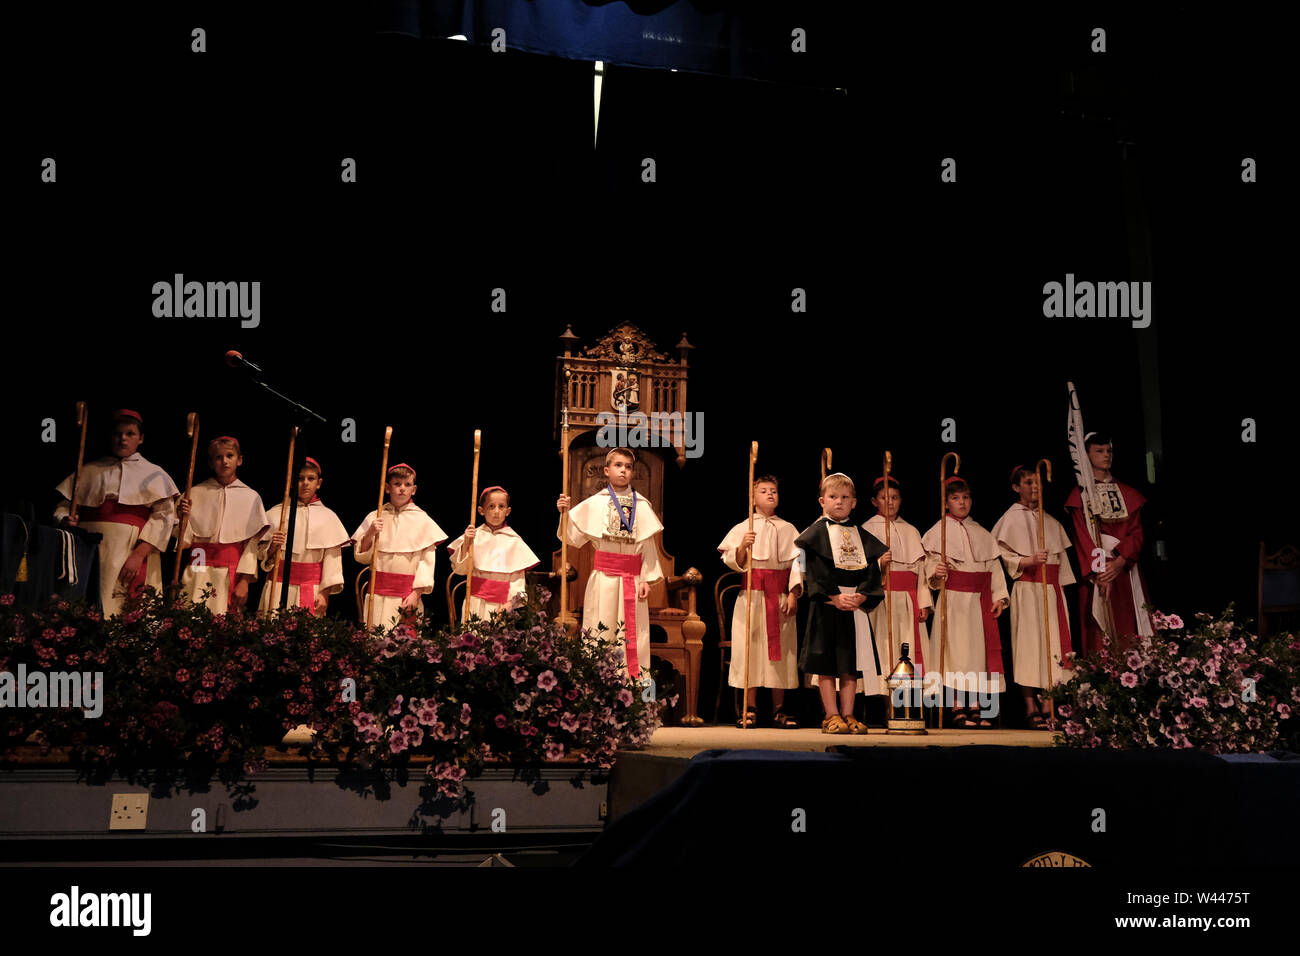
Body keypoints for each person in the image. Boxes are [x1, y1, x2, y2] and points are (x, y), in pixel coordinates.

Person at [54, 409, 178, 615]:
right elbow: (63, 507)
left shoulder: (155, 474)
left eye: (130, 434)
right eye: (117, 434)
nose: (123, 439)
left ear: (141, 438)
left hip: (129, 549)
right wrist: (65, 519)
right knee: (85, 604)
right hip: (88, 548)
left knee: (123, 608)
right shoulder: (89, 470)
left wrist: (139, 554)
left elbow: (164, 518)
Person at [556, 447, 663, 683]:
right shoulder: (595, 503)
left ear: (632, 472)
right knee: (600, 630)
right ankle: (599, 692)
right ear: (607, 470)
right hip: (604, 577)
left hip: (633, 580)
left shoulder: (642, 505)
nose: (623, 470)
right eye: (618, 465)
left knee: (633, 635)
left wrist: (645, 578)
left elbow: (647, 544)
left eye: (627, 466)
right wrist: (564, 514)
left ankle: (633, 692)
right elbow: (571, 538)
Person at [796, 472, 886, 735]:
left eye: (845, 498)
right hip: (827, 605)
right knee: (826, 664)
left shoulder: (861, 535)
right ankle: (831, 715)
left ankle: (848, 714)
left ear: (854, 503)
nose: (839, 502)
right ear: (822, 501)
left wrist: (863, 595)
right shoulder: (815, 534)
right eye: (833, 497)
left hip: (855, 605)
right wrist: (834, 596)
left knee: (850, 664)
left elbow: (872, 570)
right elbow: (814, 571)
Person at [992, 465, 1075, 729]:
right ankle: (1030, 707)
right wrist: (1026, 560)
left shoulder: (1051, 521)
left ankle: (1050, 704)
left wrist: (1059, 591)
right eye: (1028, 482)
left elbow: (1063, 566)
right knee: (1028, 647)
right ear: (1016, 487)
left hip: (1051, 592)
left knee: (1052, 647)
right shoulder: (1010, 519)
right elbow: (1001, 555)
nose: (1035, 487)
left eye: (1038, 482)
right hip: (1027, 589)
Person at [717, 474, 803, 729]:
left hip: (779, 597)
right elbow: (731, 560)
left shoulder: (789, 528)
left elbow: (799, 563)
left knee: (782, 654)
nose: (769, 494)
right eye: (763, 490)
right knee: (750, 652)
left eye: (774, 491)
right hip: (751, 598)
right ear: (753, 497)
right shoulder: (744, 527)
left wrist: (793, 593)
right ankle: (750, 708)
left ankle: (779, 709)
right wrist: (743, 545)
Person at [922, 477, 1009, 728]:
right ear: (946, 502)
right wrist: (936, 573)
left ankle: (976, 706)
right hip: (954, 601)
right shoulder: (938, 532)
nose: (962, 503)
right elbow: (928, 568)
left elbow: (994, 568)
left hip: (979, 602)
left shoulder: (982, 532)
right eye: (956, 498)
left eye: (966, 497)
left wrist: (1000, 597)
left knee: (977, 656)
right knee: (955, 655)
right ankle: (957, 706)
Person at [1064, 432, 1154, 654]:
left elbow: (1137, 533)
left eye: (1109, 451)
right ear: (1086, 455)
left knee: (1129, 625)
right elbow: (1082, 538)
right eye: (1099, 451)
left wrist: (1120, 562)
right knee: (1100, 631)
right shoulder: (1080, 496)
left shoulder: (1128, 492)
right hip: (1098, 574)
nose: (1106, 456)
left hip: (1124, 570)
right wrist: (1101, 571)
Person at [862, 476, 933, 714]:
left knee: (908, 649)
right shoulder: (867, 529)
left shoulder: (911, 530)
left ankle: (909, 705)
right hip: (882, 599)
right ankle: (889, 707)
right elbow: (859, 570)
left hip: (907, 600)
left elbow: (921, 572)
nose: (890, 502)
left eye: (894, 498)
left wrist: (924, 602)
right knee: (886, 650)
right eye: (884, 498)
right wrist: (879, 564)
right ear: (874, 501)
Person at [176, 436, 269, 615]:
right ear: (211, 462)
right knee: (192, 616)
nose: (224, 461)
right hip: (198, 563)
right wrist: (183, 518)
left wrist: (244, 581)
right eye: (218, 457)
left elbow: (251, 547)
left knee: (224, 624)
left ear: (239, 460)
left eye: (229, 456)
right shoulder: (194, 492)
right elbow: (184, 542)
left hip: (231, 570)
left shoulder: (251, 497)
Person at [352, 463, 447, 630]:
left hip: (407, 596)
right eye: (397, 484)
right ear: (387, 488)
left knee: (403, 646)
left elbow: (427, 562)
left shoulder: (422, 520)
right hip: (377, 594)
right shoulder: (376, 516)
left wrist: (416, 594)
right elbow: (362, 557)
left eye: (407, 485)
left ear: (414, 489)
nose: (402, 489)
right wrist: (370, 533)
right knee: (374, 640)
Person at [256, 457, 349, 617]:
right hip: (276, 587)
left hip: (311, 590)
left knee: (306, 638)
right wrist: (272, 548)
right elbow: (260, 555)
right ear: (291, 482)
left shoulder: (329, 517)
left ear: (318, 483)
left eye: (310, 478)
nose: (305, 483)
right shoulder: (277, 513)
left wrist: (324, 593)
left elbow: (332, 561)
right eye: (300, 478)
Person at [447, 485, 540, 621]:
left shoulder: (514, 541)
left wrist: (509, 605)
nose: (496, 511)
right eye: (491, 506)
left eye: (501, 506)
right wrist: (466, 542)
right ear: (481, 510)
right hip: (474, 602)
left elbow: (518, 582)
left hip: (501, 606)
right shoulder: (474, 536)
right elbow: (460, 570)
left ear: (508, 511)